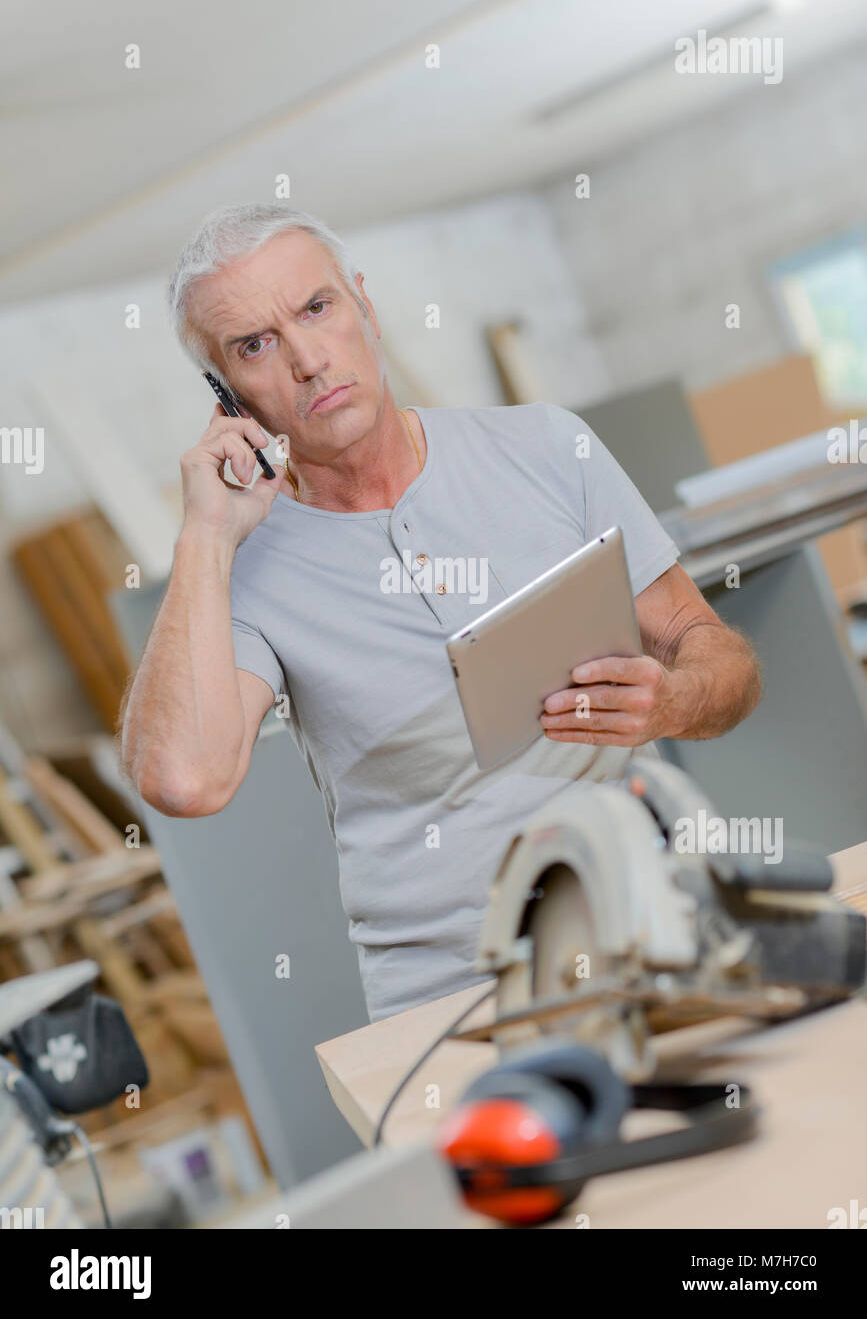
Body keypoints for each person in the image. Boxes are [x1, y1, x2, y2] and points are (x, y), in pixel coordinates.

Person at [120, 204, 761, 1022]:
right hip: (447, 1000)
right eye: (254, 346)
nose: (309, 361)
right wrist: (206, 538)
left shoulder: (543, 447)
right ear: (224, 395)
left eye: (316, 309)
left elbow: (721, 664)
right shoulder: (241, 568)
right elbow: (184, 780)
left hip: (652, 917)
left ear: (365, 308)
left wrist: (670, 700)